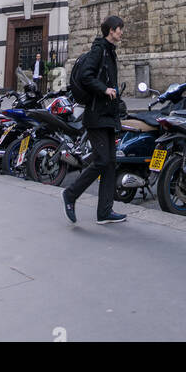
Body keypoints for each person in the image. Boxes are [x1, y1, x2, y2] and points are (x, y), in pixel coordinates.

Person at [62, 16, 126, 225]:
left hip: (107, 115)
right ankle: (71, 194)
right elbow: (86, 77)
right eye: (119, 29)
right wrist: (104, 89)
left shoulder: (110, 51)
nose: (121, 32)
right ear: (111, 30)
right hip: (96, 115)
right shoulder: (99, 49)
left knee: (110, 163)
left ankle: (105, 212)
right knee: (101, 160)